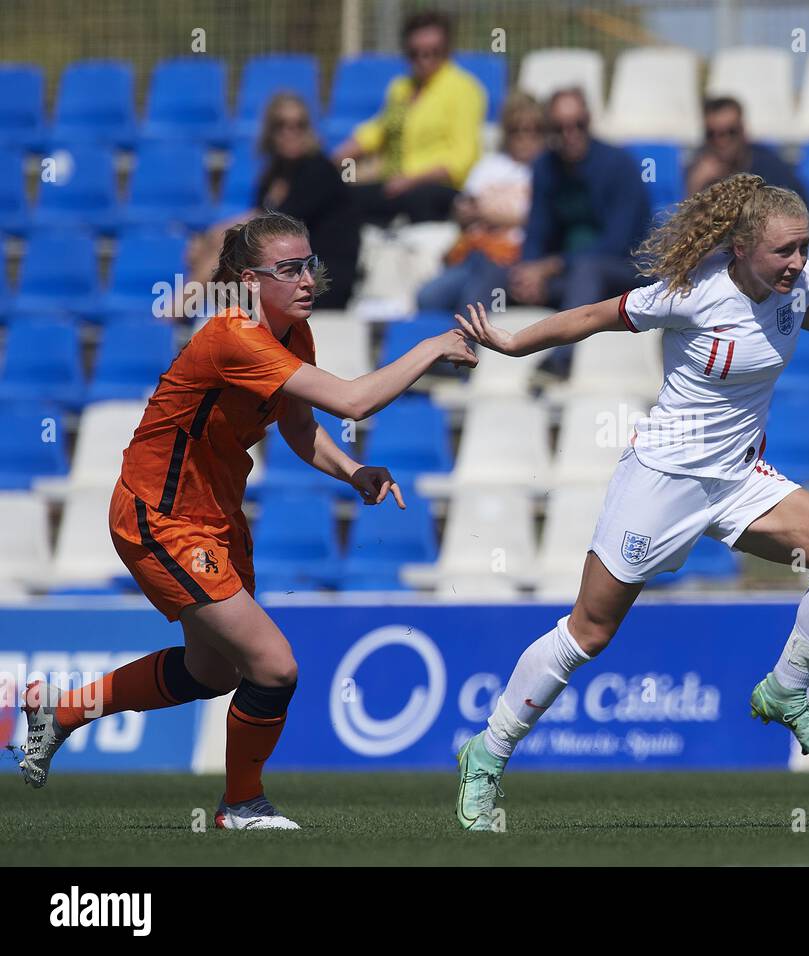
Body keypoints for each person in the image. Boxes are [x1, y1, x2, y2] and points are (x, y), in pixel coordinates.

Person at [449, 174, 809, 831]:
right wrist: (516, 345)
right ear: (742, 247)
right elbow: (591, 315)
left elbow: (807, 306)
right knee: (589, 633)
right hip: (662, 480)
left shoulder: (795, 285)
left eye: (804, 249)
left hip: (739, 478)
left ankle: (785, 690)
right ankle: (486, 753)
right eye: (785, 251)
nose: (799, 263)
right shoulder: (692, 293)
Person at [19, 211, 476, 829]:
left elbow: (298, 425)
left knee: (213, 673)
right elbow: (353, 400)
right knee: (274, 667)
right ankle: (239, 805)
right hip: (161, 514)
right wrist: (429, 346)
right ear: (247, 279)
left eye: (308, 264)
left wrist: (352, 471)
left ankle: (63, 711)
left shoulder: (292, 330)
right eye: (288, 269)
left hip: (216, 517)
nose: (306, 279)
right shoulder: (235, 335)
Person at [189, 92, 361, 310]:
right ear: (270, 131)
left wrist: (215, 236)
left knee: (223, 247)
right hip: (283, 271)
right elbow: (260, 218)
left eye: (300, 125)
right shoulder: (273, 175)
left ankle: (176, 314)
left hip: (317, 279)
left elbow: (273, 227)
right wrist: (208, 239)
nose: (291, 132)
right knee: (206, 249)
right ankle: (191, 318)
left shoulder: (319, 171)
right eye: (282, 125)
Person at [332, 9, 485, 226]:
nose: (424, 60)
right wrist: (332, 160)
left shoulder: (464, 89)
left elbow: (461, 159)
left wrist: (411, 180)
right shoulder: (401, 88)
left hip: (437, 188)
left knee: (416, 198)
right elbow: (376, 132)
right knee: (338, 196)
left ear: (447, 50)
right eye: (415, 53)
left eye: (434, 52)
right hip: (395, 184)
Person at [508, 87, 651, 315]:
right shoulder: (545, 167)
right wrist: (529, 272)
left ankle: (563, 351)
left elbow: (617, 244)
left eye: (578, 125)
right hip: (564, 277)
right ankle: (463, 344)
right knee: (493, 272)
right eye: (559, 128)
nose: (570, 134)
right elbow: (536, 230)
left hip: (621, 274)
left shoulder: (619, 165)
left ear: (588, 121)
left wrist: (552, 266)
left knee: (587, 270)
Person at [414, 92, 545, 313]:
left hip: (511, 260)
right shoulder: (489, 165)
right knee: (428, 297)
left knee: (472, 302)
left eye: (533, 130)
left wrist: (489, 215)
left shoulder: (545, 171)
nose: (524, 138)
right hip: (473, 253)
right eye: (516, 130)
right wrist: (464, 212)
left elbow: (540, 218)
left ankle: (468, 346)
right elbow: (462, 209)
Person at [687, 96, 809, 289]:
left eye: (730, 132)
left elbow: (775, 240)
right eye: (712, 134)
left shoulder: (770, 168)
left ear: (744, 132)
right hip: (748, 259)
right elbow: (689, 245)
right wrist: (695, 189)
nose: (721, 141)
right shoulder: (699, 170)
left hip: (806, 255)